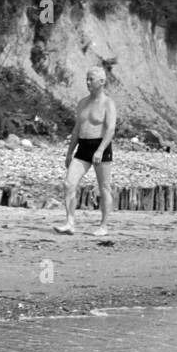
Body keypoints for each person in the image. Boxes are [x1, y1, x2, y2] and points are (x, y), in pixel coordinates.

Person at [54, 67, 117, 236]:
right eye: (87, 79)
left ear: (101, 82)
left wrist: (100, 150)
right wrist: (69, 152)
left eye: (91, 79)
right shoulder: (82, 103)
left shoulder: (108, 103)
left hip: (100, 146)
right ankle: (70, 222)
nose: (87, 82)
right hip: (82, 147)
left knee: (104, 187)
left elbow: (111, 129)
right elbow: (76, 130)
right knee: (68, 183)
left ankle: (104, 226)